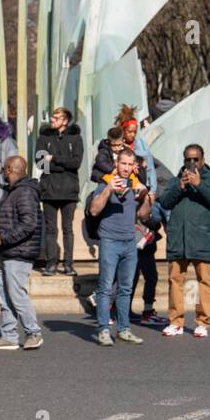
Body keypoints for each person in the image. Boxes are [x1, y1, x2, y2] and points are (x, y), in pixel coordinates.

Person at [158, 144, 210, 338]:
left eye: (196, 159)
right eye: (188, 159)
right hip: (179, 239)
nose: (192, 163)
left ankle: (202, 322)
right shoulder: (174, 181)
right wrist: (180, 187)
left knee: (204, 281)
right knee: (175, 280)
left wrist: (199, 185)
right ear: (184, 160)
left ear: (202, 160)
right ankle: (175, 321)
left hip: (201, 239)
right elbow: (165, 202)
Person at [88, 147, 149, 346]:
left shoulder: (135, 185)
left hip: (129, 242)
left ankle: (124, 329)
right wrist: (108, 190)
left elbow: (144, 215)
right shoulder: (105, 183)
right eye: (123, 163)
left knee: (126, 288)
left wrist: (146, 195)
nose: (126, 168)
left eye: (130, 164)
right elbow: (94, 210)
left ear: (134, 167)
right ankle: (103, 329)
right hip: (110, 242)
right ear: (117, 164)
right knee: (105, 288)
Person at [0, 155, 43, 351]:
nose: (2, 172)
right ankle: (9, 336)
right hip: (7, 252)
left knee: (16, 294)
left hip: (18, 252)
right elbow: (14, 220)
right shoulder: (13, 192)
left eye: (3, 169)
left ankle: (33, 333)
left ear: (10, 169)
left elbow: (29, 223)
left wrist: (3, 237)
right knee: (4, 295)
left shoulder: (24, 192)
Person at [35, 107, 83, 276]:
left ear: (65, 121)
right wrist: (61, 164)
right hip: (49, 189)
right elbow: (41, 164)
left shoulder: (76, 138)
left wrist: (54, 158)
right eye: (52, 117)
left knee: (67, 228)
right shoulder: (44, 137)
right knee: (50, 229)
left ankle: (69, 264)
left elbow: (76, 163)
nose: (52, 120)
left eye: (56, 118)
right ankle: (51, 264)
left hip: (69, 190)